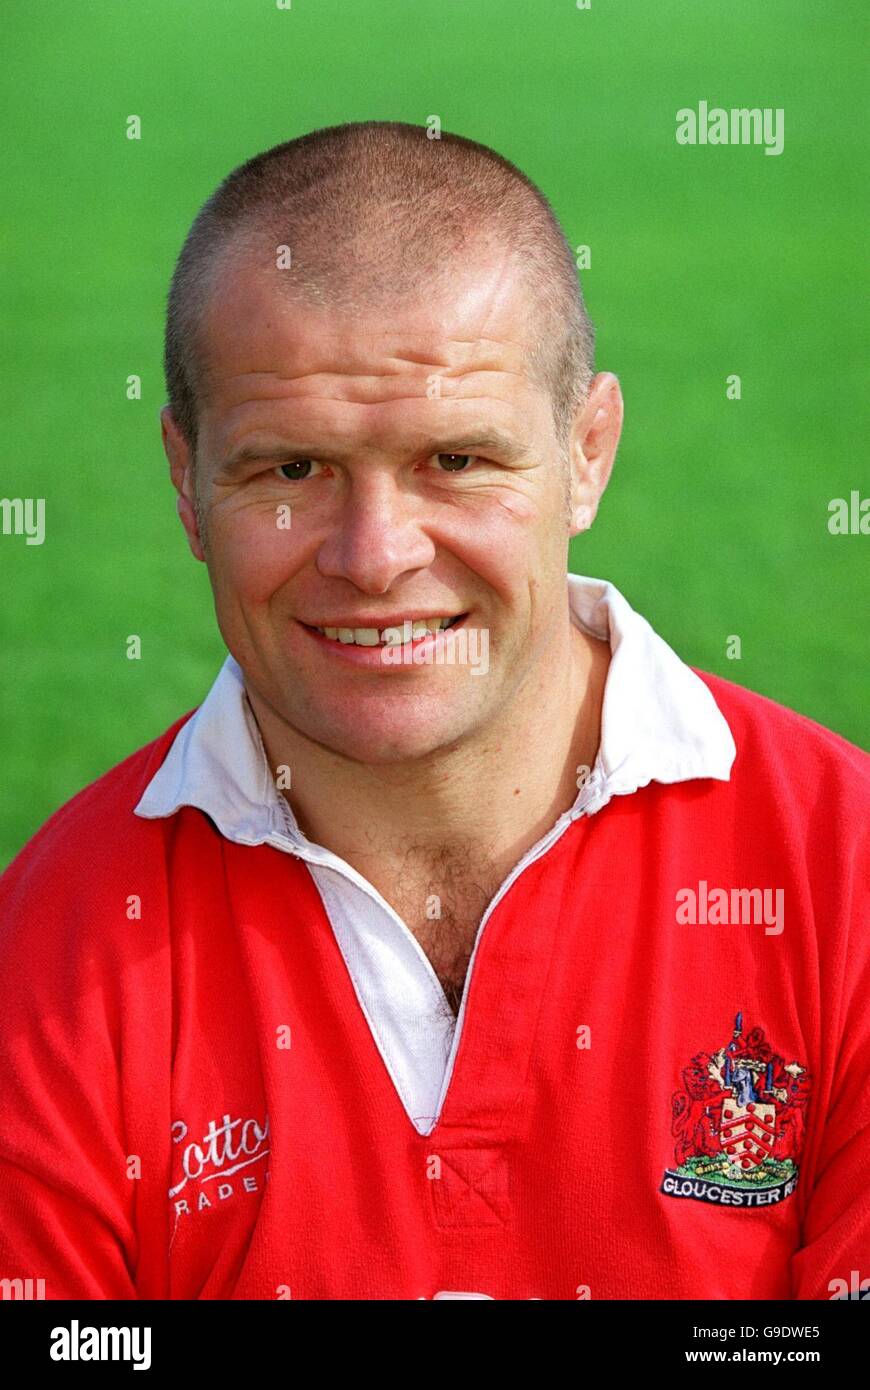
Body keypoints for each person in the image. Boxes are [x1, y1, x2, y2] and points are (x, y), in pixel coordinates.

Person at [0, 122, 866, 1301]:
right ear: (186, 480)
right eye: (291, 470)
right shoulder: (49, 948)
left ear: (589, 449)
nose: (374, 556)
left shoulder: (843, 871)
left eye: (455, 459)